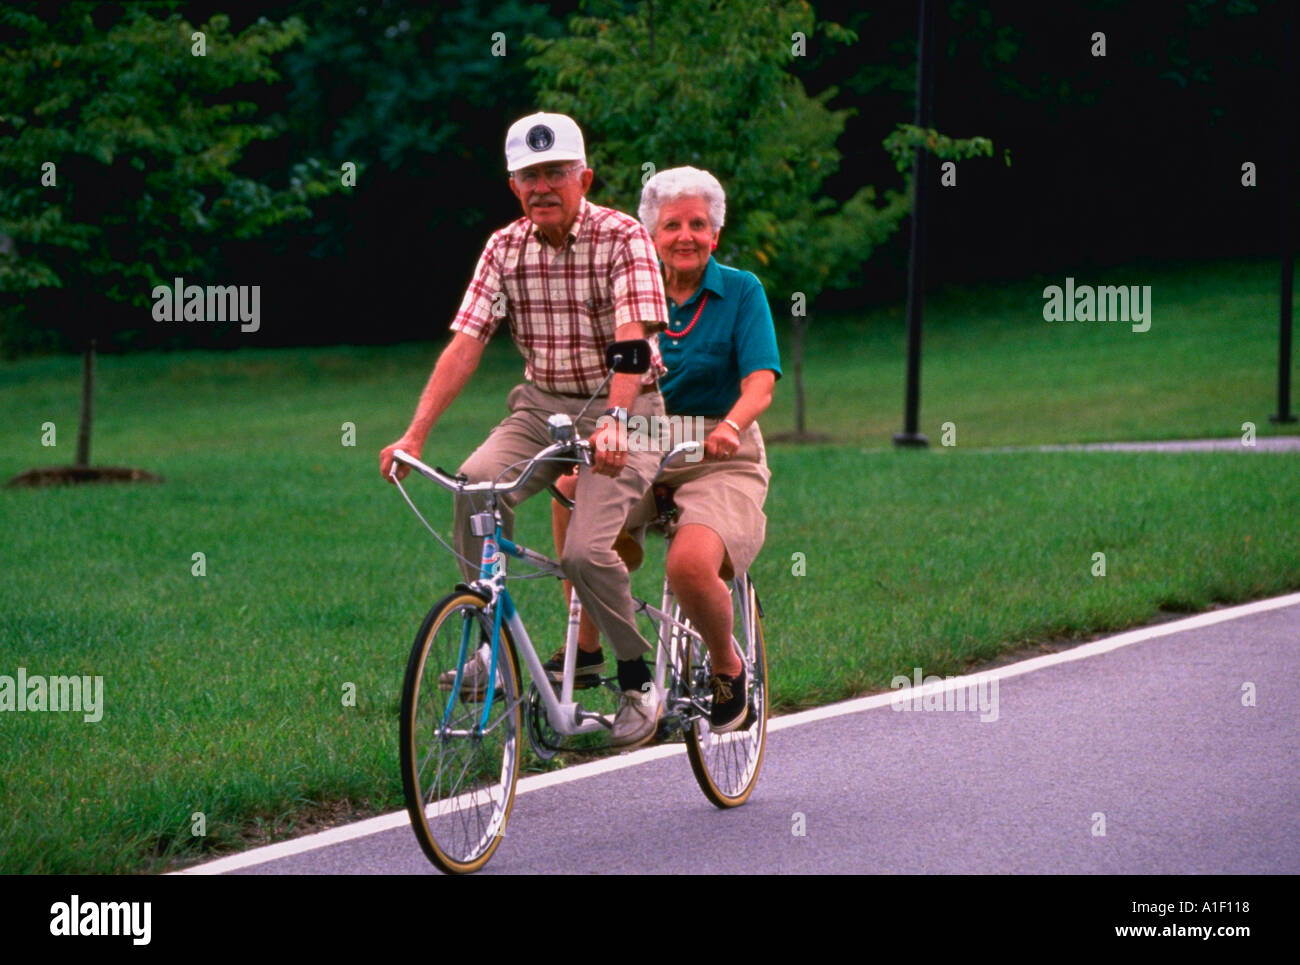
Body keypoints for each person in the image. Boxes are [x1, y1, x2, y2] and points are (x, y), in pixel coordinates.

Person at [379, 112, 672, 748]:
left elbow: (632, 341)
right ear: (514, 187)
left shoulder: (623, 237)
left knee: (582, 553)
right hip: (540, 405)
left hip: (629, 408)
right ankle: (486, 644)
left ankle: (636, 675)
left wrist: (618, 422)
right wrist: (414, 435)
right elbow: (465, 344)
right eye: (528, 177)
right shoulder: (503, 247)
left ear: (583, 177)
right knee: (475, 485)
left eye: (555, 174)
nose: (542, 188)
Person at [548, 166, 780, 733]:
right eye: (672, 224)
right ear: (651, 235)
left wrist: (730, 423)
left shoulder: (742, 291)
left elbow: (761, 382)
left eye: (698, 224)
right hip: (645, 443)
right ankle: (587, 641)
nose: (685, 235)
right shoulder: (627, 291)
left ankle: (728, 667)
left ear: (715, 234)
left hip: (720, 450)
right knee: (569, 492)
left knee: (689, 566)